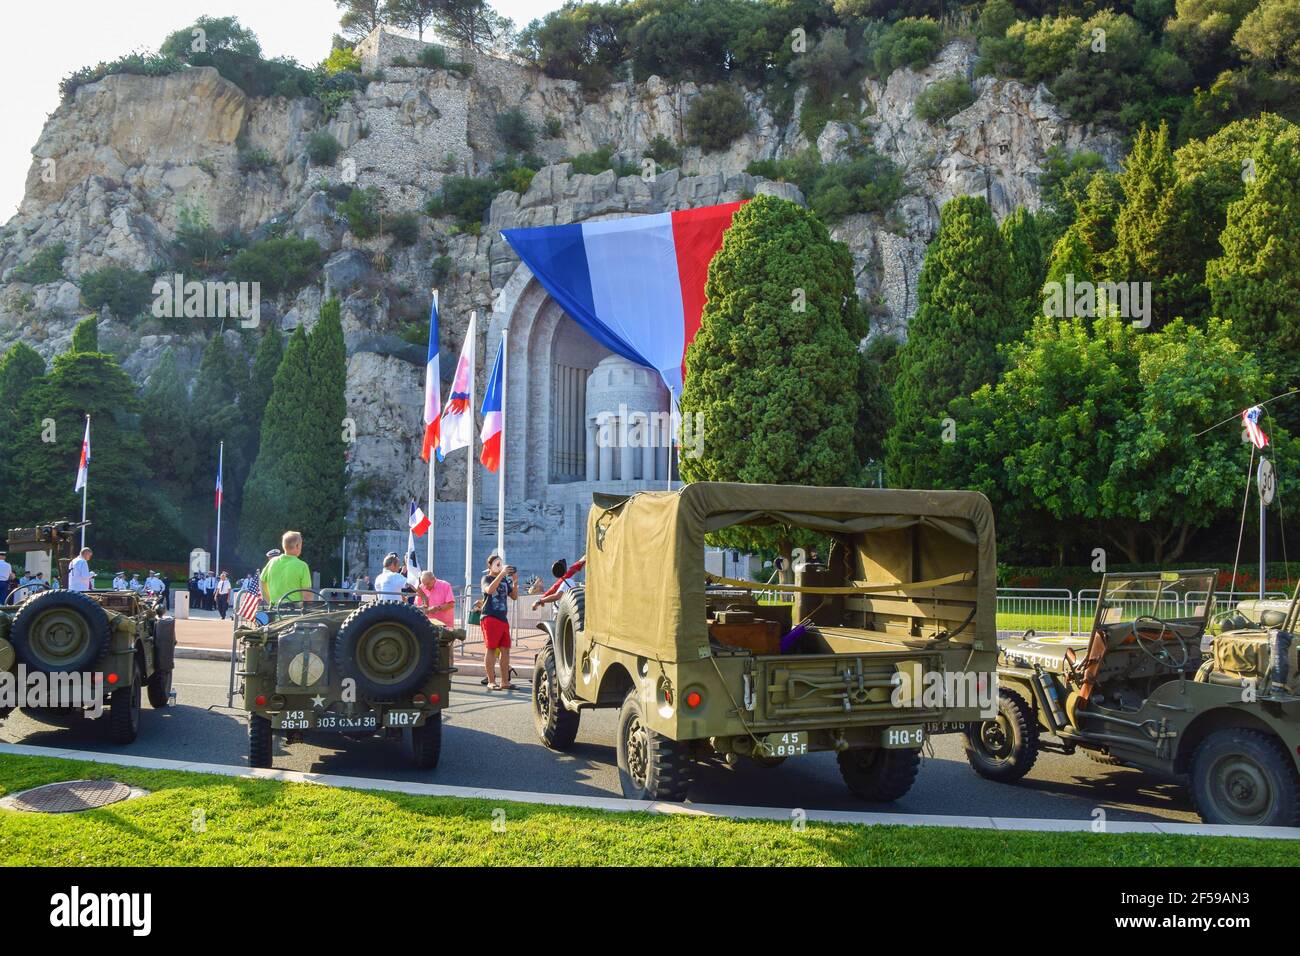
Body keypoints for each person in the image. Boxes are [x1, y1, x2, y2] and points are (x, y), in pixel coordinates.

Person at [480, 553, 518, 691]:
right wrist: (501, 575)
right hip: (489, 616)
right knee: (491, 649)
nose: (500, 566)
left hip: (502, 618)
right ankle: (491, 681)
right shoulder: (486, 578)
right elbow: (489, 590)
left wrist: (514, 582)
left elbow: (514, 596)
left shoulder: (504, 580)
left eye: (501, 563)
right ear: (489, 566)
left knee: (505, 650)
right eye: (497, 564)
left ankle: (505, 682)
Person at [260, 531, 312, 606]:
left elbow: (261, 582)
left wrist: (270, 602)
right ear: (297, 545)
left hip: (275, 614)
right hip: (295, 614)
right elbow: (307, 596)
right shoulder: (302, 566)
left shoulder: (272, 562)